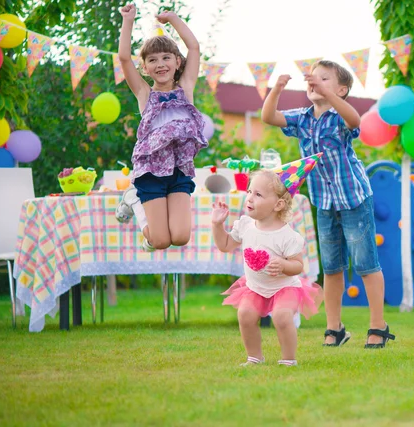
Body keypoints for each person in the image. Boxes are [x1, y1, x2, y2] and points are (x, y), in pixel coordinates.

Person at [261, 60, 395, 349]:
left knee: (365, 263)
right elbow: (268, 117)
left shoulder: (339, 116)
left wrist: (330, 95)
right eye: (314, 78)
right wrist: (278, 89)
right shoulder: (303, 118)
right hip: (324, 202)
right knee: (332, 268)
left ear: (342, 89)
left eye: (325, 79)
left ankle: (378, 326)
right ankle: (335, 328)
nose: (315, 82)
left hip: (354, 200)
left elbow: (355, 120)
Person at [212, 158, 323, 366]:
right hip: (255, 287)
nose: (250, 198)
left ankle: (289, 359)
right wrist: (217, 225)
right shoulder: (245, 225)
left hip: (285, 287)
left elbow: (298, 266)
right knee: (245, 314)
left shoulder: (287, 235)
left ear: (278, 204)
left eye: (258, 195)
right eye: (250, 192)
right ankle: (254, 357)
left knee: (281, 316)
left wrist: (283, 264)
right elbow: (225, 245)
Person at [115, 4, 208, 251]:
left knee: (180, 237)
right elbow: (124, 57)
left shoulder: (186, 88)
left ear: (177, 62)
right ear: (145, 68)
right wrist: (128, 20)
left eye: (166, 57)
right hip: (151, 173)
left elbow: (194, 47)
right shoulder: (144, 93)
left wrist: (174, 19)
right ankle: (134, 200)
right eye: (152, 60)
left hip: (179, 169)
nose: (160, 64)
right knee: (160, 241)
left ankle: (138, 203)